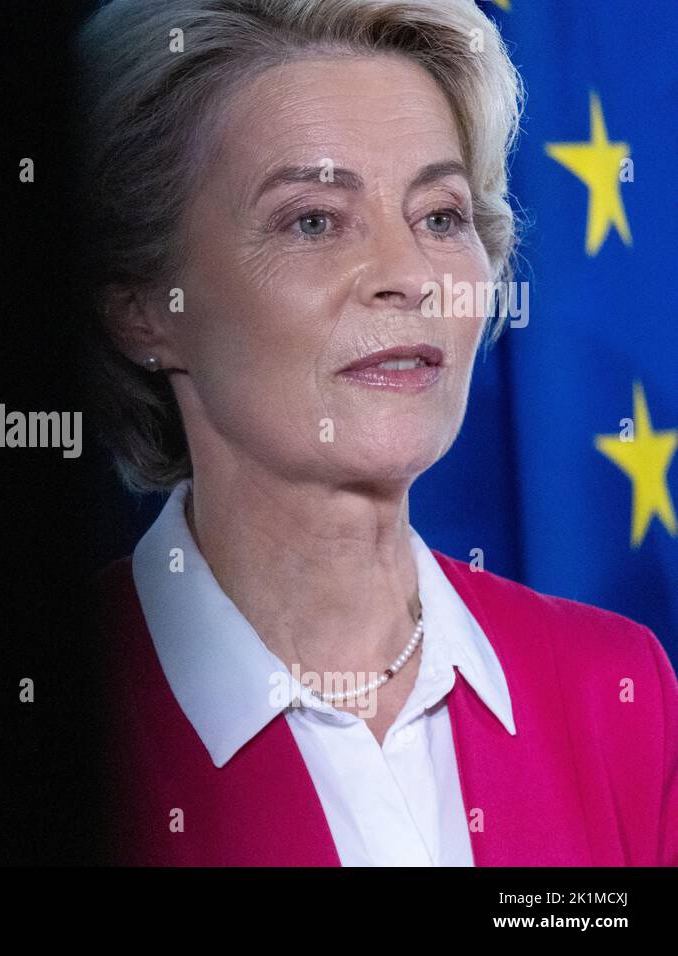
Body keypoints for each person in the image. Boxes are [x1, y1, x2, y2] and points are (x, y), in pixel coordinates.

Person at [74, 0, 678, 865]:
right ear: (141, 309)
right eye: (313, 220)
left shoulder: (617, 688)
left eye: (439, 216)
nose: (409, 276)